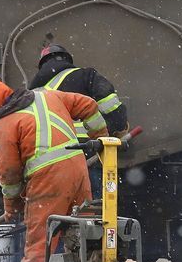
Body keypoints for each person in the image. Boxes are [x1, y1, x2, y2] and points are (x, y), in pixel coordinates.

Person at [0, 76, 108, 262]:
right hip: (78, 171)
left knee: (39, 243)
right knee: (85, 234)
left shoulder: (4, 126)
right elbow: (88, 105)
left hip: (48, 181)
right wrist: (102, 141)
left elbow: (10, 176)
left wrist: (11, 207)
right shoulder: (47, 95)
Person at [29, 44, 128, 197]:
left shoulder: (32, 94)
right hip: (87, 149)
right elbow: (110, 106)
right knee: (93, 203)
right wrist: (118, 127)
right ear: (67, 60)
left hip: (46, 159)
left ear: (42, 65)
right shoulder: (85, 76)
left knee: (58, 205)